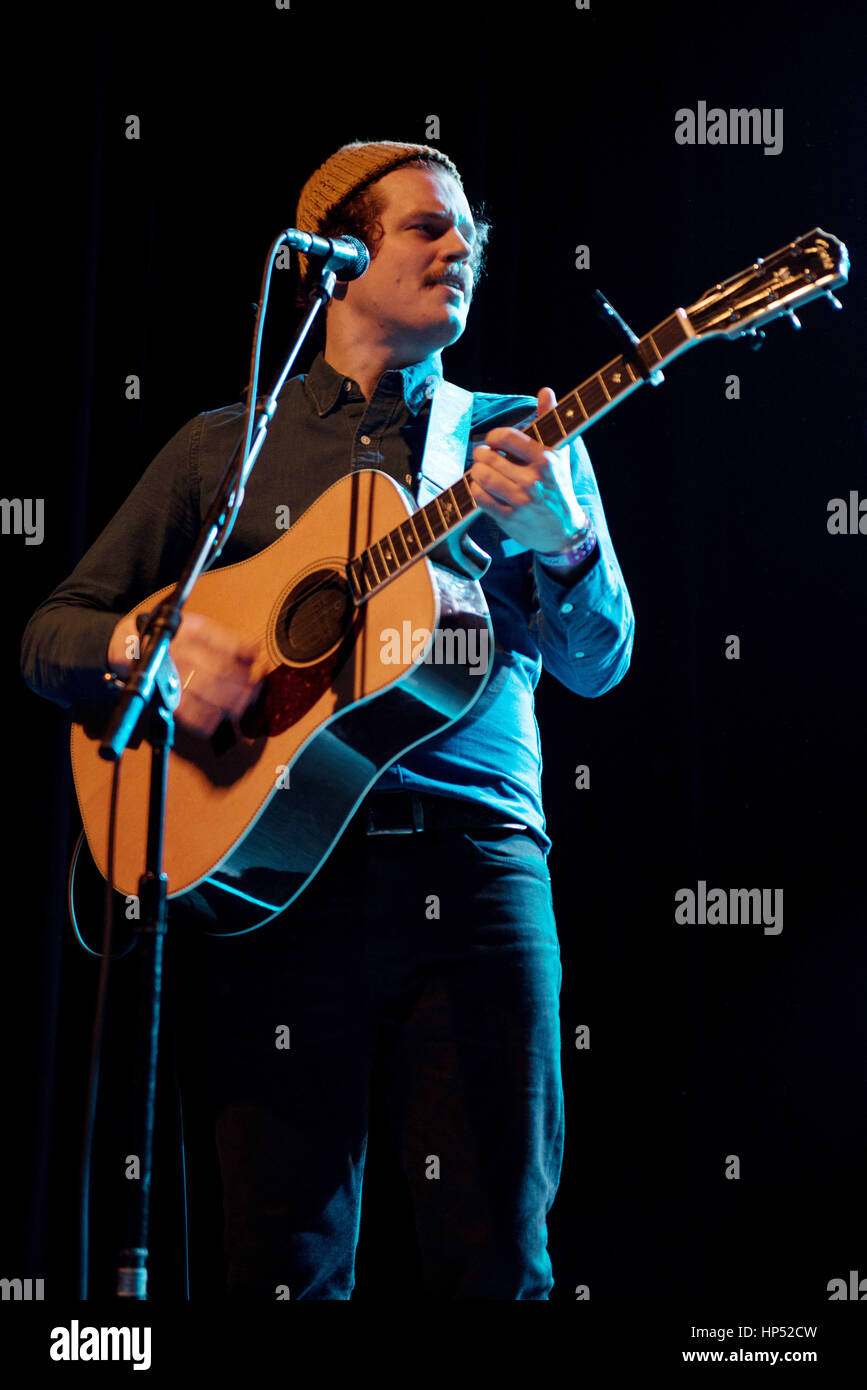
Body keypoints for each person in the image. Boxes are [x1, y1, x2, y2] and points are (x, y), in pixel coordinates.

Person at [20, 139, 634, 1300]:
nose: (462, 249)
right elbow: (51, 632)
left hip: (478, 876)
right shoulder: (224, 447)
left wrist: (568, 544)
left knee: (496, 1265)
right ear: (334, 263)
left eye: (471, 236)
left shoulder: (517, 436)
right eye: (425, 228)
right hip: (268, 893)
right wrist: (154, 645)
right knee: (277, 1267)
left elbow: (603, 661)